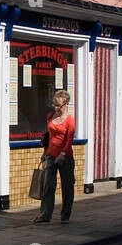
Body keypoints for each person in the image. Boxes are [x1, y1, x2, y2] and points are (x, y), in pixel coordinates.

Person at [33, 89, 75, 224]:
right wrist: (44, 153)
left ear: (66, 104)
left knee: (67, 186)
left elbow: (69, 140)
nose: (56, 108)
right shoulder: (51, 116)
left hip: (66, 157)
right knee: (48, 185)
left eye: (59, 105)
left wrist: (63, 154)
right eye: (55, 104)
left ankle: (65, 216)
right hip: (51, 155)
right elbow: (48, 137)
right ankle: (45, 215)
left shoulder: (70, 120)